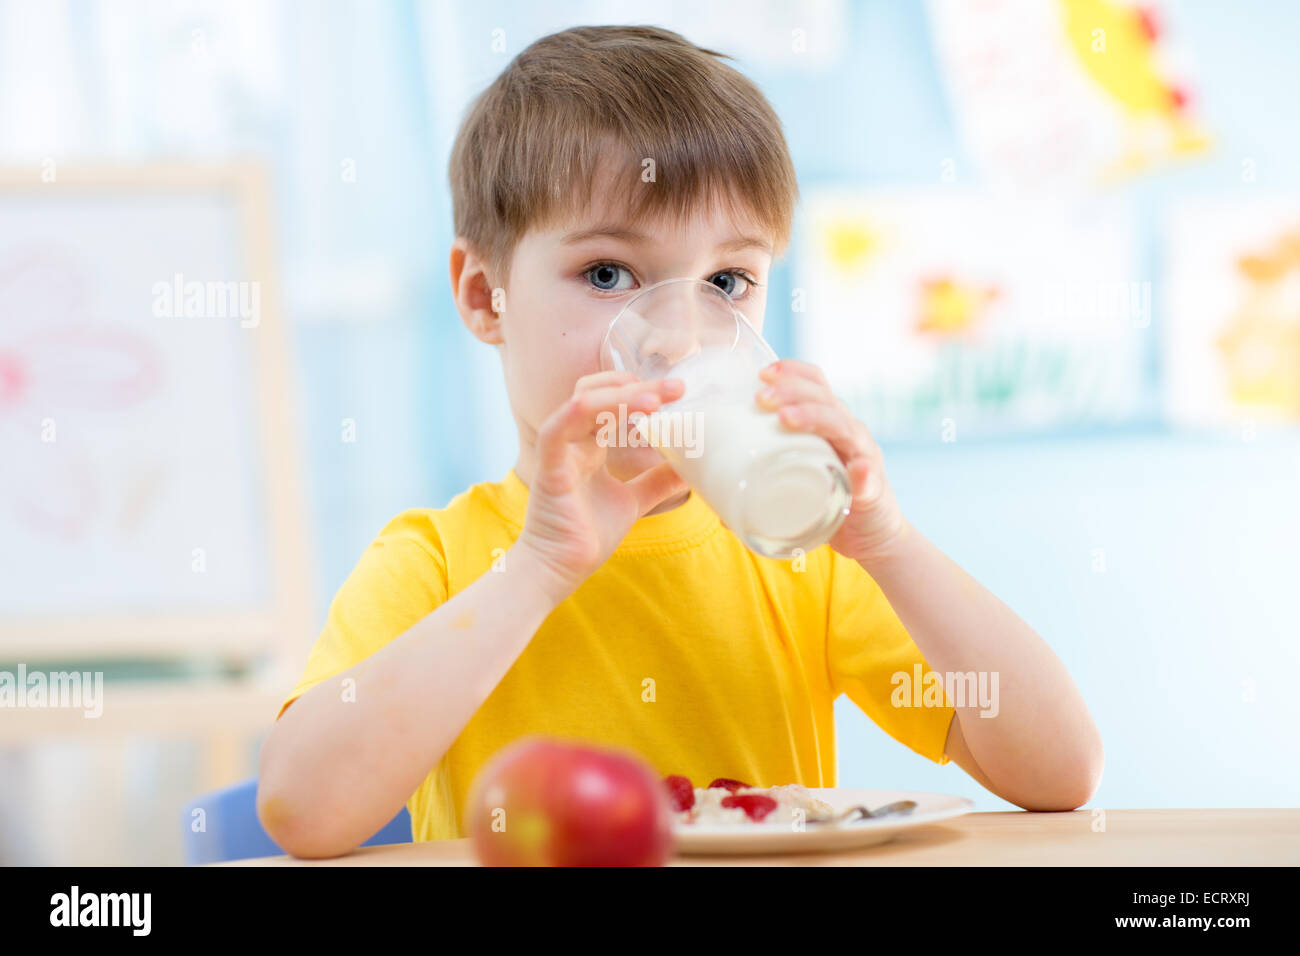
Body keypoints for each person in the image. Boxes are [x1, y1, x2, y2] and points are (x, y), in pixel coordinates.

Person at [257, 25, 1103, 858]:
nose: (676, 338)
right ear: (486, 298)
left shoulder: (802, 558)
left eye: (726, 283)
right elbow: (304, 808)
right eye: (608, 275)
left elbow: (1060, 771)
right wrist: (538, 570)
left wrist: (889, 544)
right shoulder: (440, 561)